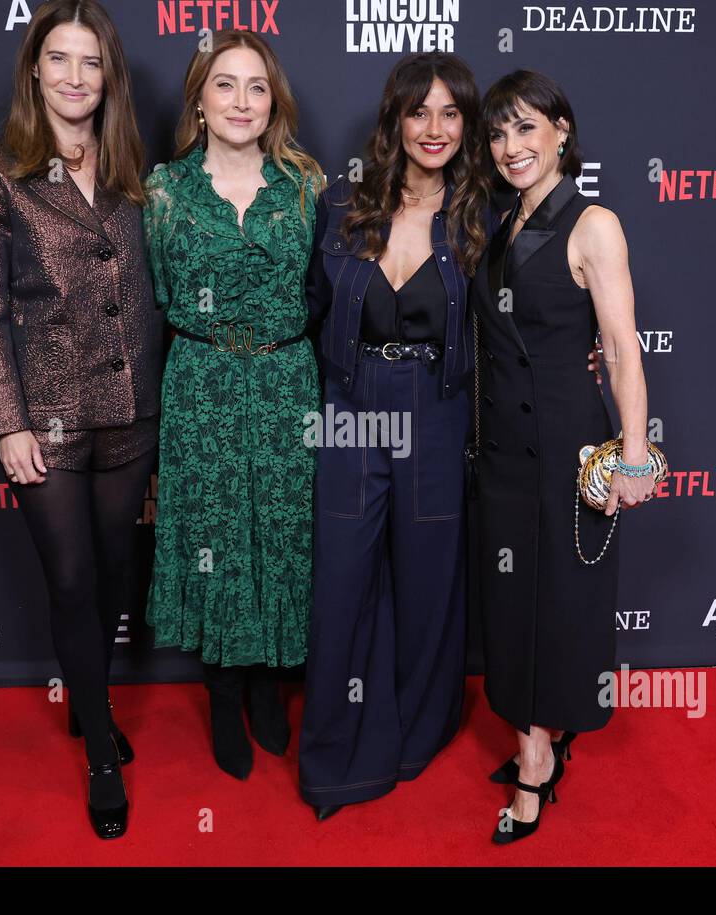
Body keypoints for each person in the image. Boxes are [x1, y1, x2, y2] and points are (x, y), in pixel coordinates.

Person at [0, 0, 162, 839]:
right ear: (34, 71)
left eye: (91, 62)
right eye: (60, 61)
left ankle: (87, 694)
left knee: (117, 575)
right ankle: (102, 757)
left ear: (107, 74)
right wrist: (5, 422)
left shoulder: (129, 167)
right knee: (72, 581)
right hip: (45, 419)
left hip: (133, 412)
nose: (76, 77)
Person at [298, 53, 492, 820]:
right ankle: (335, 749)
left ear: (467, 126)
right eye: (420, 112)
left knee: (428, 578)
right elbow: (310, 305)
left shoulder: (482, 217)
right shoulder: (344, 204)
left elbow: (515, 317)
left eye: (451, 114)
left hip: (437, 411)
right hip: (351, 405)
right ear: (395, 120)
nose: (435, 129)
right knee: (342, 576)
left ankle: (417, 729)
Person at [471, 70, 654, 844]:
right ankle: (538, 735)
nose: (511, 147)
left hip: (567, 444)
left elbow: (620, 347)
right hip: (503, 453)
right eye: (499, 133)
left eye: (526, 128)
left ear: (562, 131)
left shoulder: (594, 223)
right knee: (513, 604)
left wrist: (636, 456)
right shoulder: (502, 221)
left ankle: (535, 760)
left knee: (561, 601)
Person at [142, 30, 325, 780]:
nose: (242, 101)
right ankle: (222, 692)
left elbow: (325, 290)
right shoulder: (164, 191)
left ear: (273, 99)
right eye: (225, 84)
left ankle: (267, 690)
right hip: (203, 384)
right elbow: (158, 291)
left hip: (286, 383)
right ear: (199, 98)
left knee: (281, 531)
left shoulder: (307, 186)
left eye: (257, 86)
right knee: (216, 534)